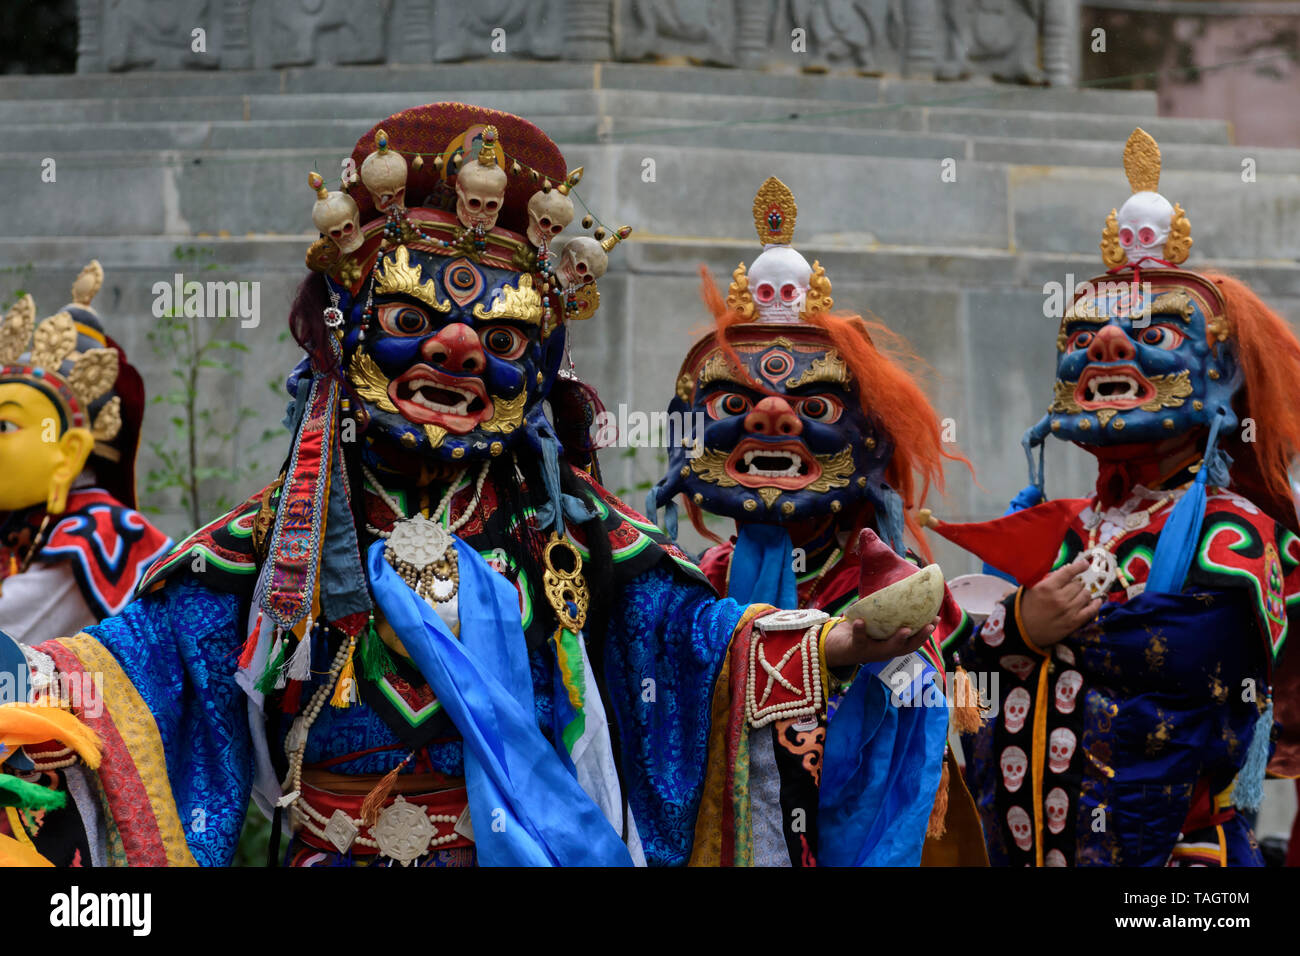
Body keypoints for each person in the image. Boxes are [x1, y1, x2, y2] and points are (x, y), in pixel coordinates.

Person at [0, 104, 941, 867]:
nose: (455, 351)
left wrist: (844, 640)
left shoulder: (564, 532)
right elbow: (144, 659)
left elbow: (686, 638)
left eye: (499, 340)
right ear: (347, 334)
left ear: (536, 370)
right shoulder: (273, 545)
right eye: (413, 317)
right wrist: (31, 681)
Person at [925, 128, 1300, 866]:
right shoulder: (1068, 529)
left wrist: (1012, 632)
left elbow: (1164, 663)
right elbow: (954, 675)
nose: (1107, 348)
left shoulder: (1241, 536)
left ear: (1220, 377)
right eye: (1085, 334)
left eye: (1155, 331)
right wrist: (1011, 633)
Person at [647, 176, 986, 865]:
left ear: (869, 440)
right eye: (733, 403)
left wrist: (870, 655)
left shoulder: (887, 585)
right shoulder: (690, 584)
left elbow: (908, 729)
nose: (772, 417)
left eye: (820, 409)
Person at [0, 261, 168, 646]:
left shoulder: (99, 534)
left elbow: (8, 637)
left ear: (69, 450)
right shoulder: (25, 521)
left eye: (5, 426)